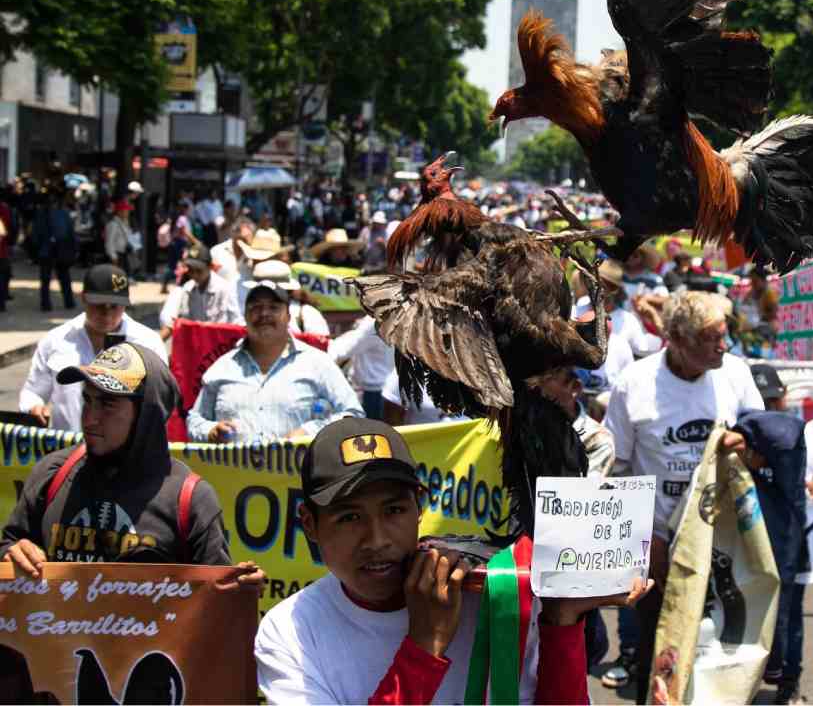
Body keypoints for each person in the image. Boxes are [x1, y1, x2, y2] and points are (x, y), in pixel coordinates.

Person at [253, 417, 652, 703]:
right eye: (349, 517)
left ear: (420, 507)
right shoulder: (288, 633)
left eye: (394, 511)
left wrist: (562, 622)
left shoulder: (492, 595)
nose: (376, 540)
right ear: (309, 523)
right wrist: (424, 647)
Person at [604, 290, 763, 702]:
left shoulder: (736, 376)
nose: (722, 346)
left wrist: (745, 446)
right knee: (660, 657)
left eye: (724, 335)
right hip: (657, 546)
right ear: (676, 338)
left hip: (721, 542)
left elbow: (763, 449)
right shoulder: (635, 384)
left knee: (720, 653)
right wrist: (643, 539)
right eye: (710, 338)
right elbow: (615, 469)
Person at [2, 341, 262, 593]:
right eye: (87, 400)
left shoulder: (190, 499)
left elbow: (217, 602)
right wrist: (12, 552)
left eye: (107, 404)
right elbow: (9, 544)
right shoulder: (53, 474)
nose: (90, 418)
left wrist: (240, 589)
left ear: (147, 414)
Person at [186, 271, 362, 443]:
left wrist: (311, 432)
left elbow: (353, 415)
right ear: (245, 316)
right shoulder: (222, 368)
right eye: (255, 307)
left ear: (288, 317)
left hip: (300, 472)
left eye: (273, 307)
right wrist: (210, 431)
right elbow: (194, 420)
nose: (264, 314)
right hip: (235, 472)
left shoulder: (318, 364)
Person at [728, 365, 811, 706]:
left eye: (771, 400)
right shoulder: (737, 450)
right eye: (760, 401)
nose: (766, 408)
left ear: (783, 399)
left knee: (788, 618)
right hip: (747, 547)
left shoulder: (803, 436)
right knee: (744, 613)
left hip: (794, 545)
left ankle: (788, 683)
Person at [20, 265, 167, 430]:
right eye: (99, 305)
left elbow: (162, 401)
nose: (107, 313)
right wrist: (34, 407)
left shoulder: (148, 342)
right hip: (68, 448)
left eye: (115, 306)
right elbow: (32, 392)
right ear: (84, 298)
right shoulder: (56, 340)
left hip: (126, 452)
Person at [158, 244, 243, 340]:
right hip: (197, 346)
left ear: (210, 267)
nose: (194, 275)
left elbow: (237, 324)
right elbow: (174, 322)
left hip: (220, 345)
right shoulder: (188, 289)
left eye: (199, 271)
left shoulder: (224, 289)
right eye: (190, 270)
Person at [242, 260, 330, 336]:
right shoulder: (249, 311)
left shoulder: (308, 314)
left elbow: (320, 346)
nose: (264, 313)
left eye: (273, 307)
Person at [330, 314, 392, 420]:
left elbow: (344, 351)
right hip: (386, 386)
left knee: (368, 432)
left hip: (371, 392)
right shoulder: (393, 315)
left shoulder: (373, 322)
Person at [31, 186, 78, 311]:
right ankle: (68, 302)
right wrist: (74, 247)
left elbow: (36, 233)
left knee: (46, 279)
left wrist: (36, 248)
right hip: (58, 249)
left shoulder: (42, 213)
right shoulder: (63, 213)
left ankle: (46, 304)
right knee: (64, 278)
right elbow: (70, 232)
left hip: (47, 250)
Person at [104, 199, 135, 273]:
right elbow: (109, 243)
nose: (128, 212)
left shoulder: (125, 223)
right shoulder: (113, 224)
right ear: (119, 211)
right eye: (126, 210)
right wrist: (113, 257)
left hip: (124, 255)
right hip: (117, 256)